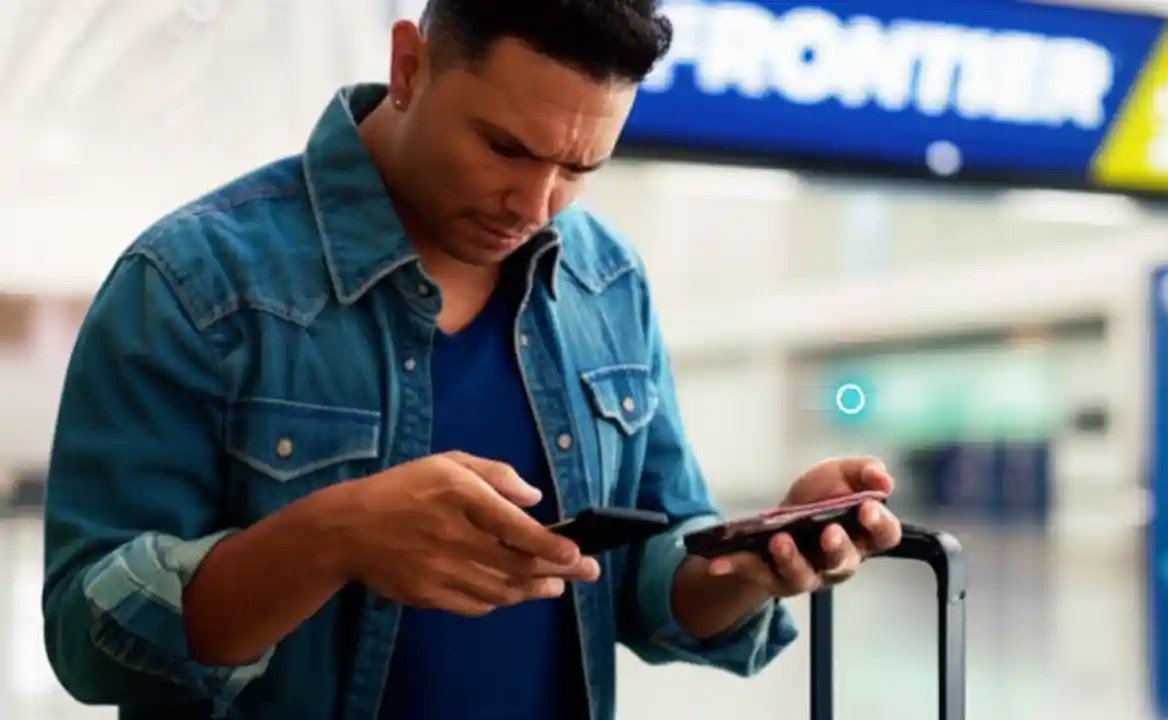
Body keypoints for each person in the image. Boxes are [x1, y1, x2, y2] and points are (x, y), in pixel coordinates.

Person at [41, 1, 904, 718]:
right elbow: (90, 637)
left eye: (580, 166)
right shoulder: (195, 283)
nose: (535, 204)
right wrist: (331, 536)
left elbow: (642, 577)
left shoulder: (603, 280)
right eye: (506, 148)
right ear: (410, 65)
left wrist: (747, 567)